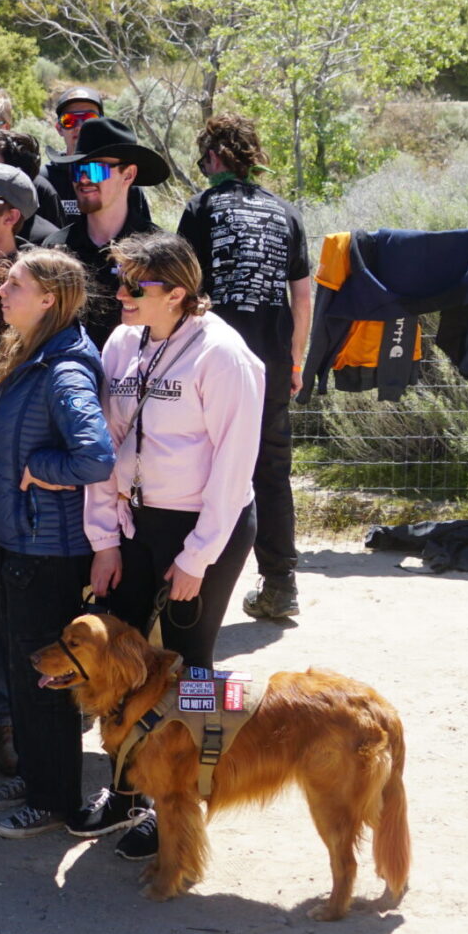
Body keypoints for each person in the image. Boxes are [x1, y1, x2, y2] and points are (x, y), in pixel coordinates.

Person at [74, 233, 265, 859]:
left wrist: (197, 557)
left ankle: (175, 802)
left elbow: (236, 470)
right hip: (134, 526)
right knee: (118, 663)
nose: (121, 294)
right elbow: (105, 447)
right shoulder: (123, 342)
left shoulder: (223, 354)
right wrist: (104, 538)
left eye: (137, 285)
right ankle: (125, 792)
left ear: (178, 293)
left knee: (188, 672)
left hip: (204, 528)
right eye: (120, 280)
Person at [0, 249, 115, 842]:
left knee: (44, 680)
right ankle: (37, 780)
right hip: (25, 542)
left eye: (15, 285)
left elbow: (96, 456)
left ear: (50, 298)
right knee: (26, 670)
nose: (2, 292)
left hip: (47, 551)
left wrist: (41, 468)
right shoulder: (37, 354)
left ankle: (54, 799)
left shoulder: (64, 370)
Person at [175, 114, 313, 624]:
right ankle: (280, 585)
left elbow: (182, 285)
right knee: (271, 473)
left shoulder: (200, 208)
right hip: (270, 360)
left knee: (201, 467)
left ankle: (194, 585)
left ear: (213, 157)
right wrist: (295, 358)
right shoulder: (286, 212)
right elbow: (302, 296)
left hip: (213, 361)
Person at [45, 117, 170, 345]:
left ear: (128, 175)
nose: (83, 179)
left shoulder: (160, 251)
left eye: (95, 170)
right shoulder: (55, 249)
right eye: (77, 170)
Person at [42, 86, 150, 226]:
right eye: (69, 120)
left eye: (89, 119)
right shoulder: (45, 180)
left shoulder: (123, 180)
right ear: (59, 128)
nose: (80, 126)